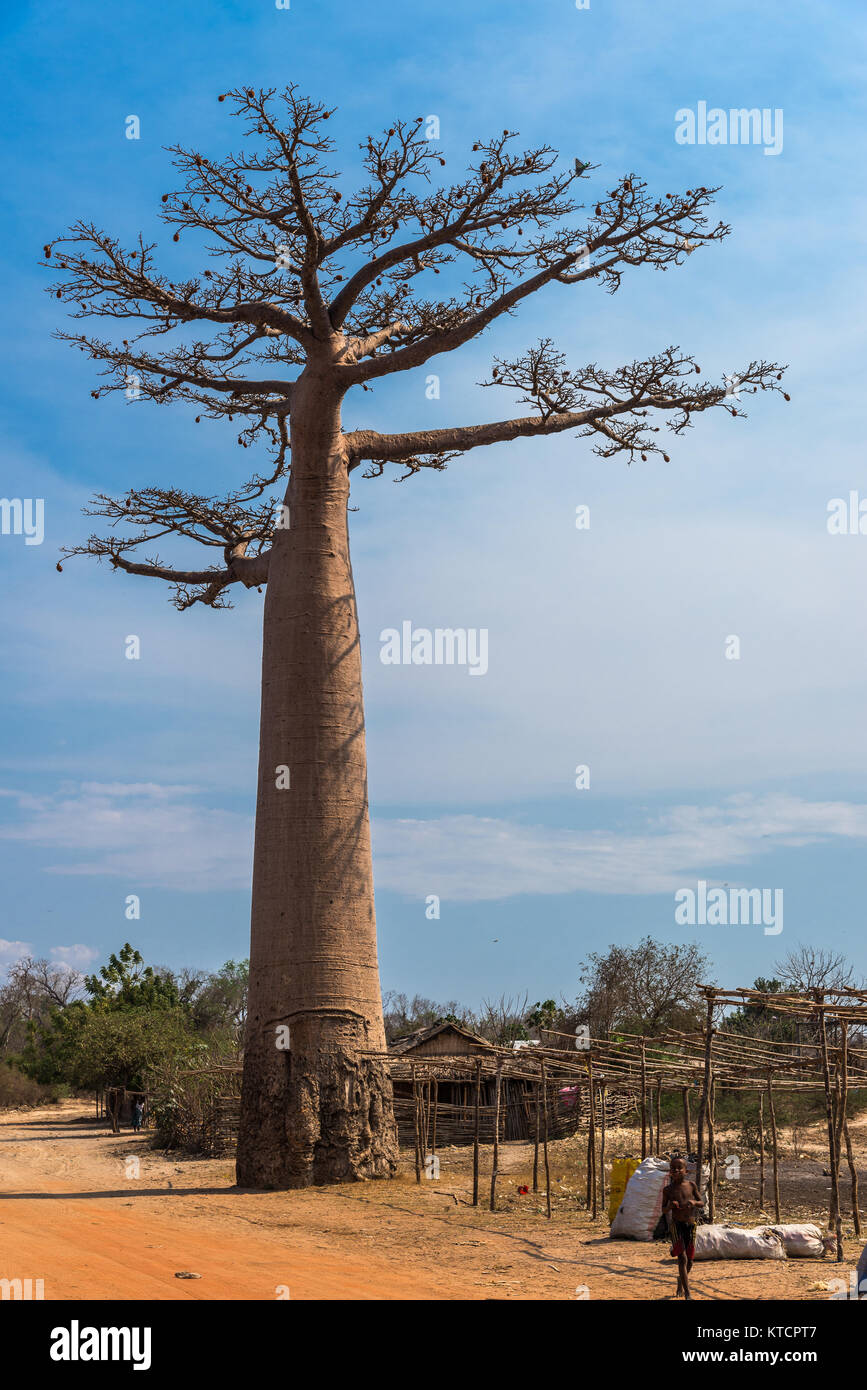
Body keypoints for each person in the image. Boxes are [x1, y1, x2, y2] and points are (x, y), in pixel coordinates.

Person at [661, 1155, 704, 1300]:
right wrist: (670, 1206)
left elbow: (701, 1202)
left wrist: (693, 1203)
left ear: (686, 1171)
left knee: (690, 1260)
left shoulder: (691, 1186)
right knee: (682, 1258)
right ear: (670, 1172)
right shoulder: (668, 1190)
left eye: (679, 1168)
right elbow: (663, 1210)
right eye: (673, 1168)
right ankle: (688, 1293)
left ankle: (681, 1281)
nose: (676, 1170)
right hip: (676, 1226)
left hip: (690, 1226)